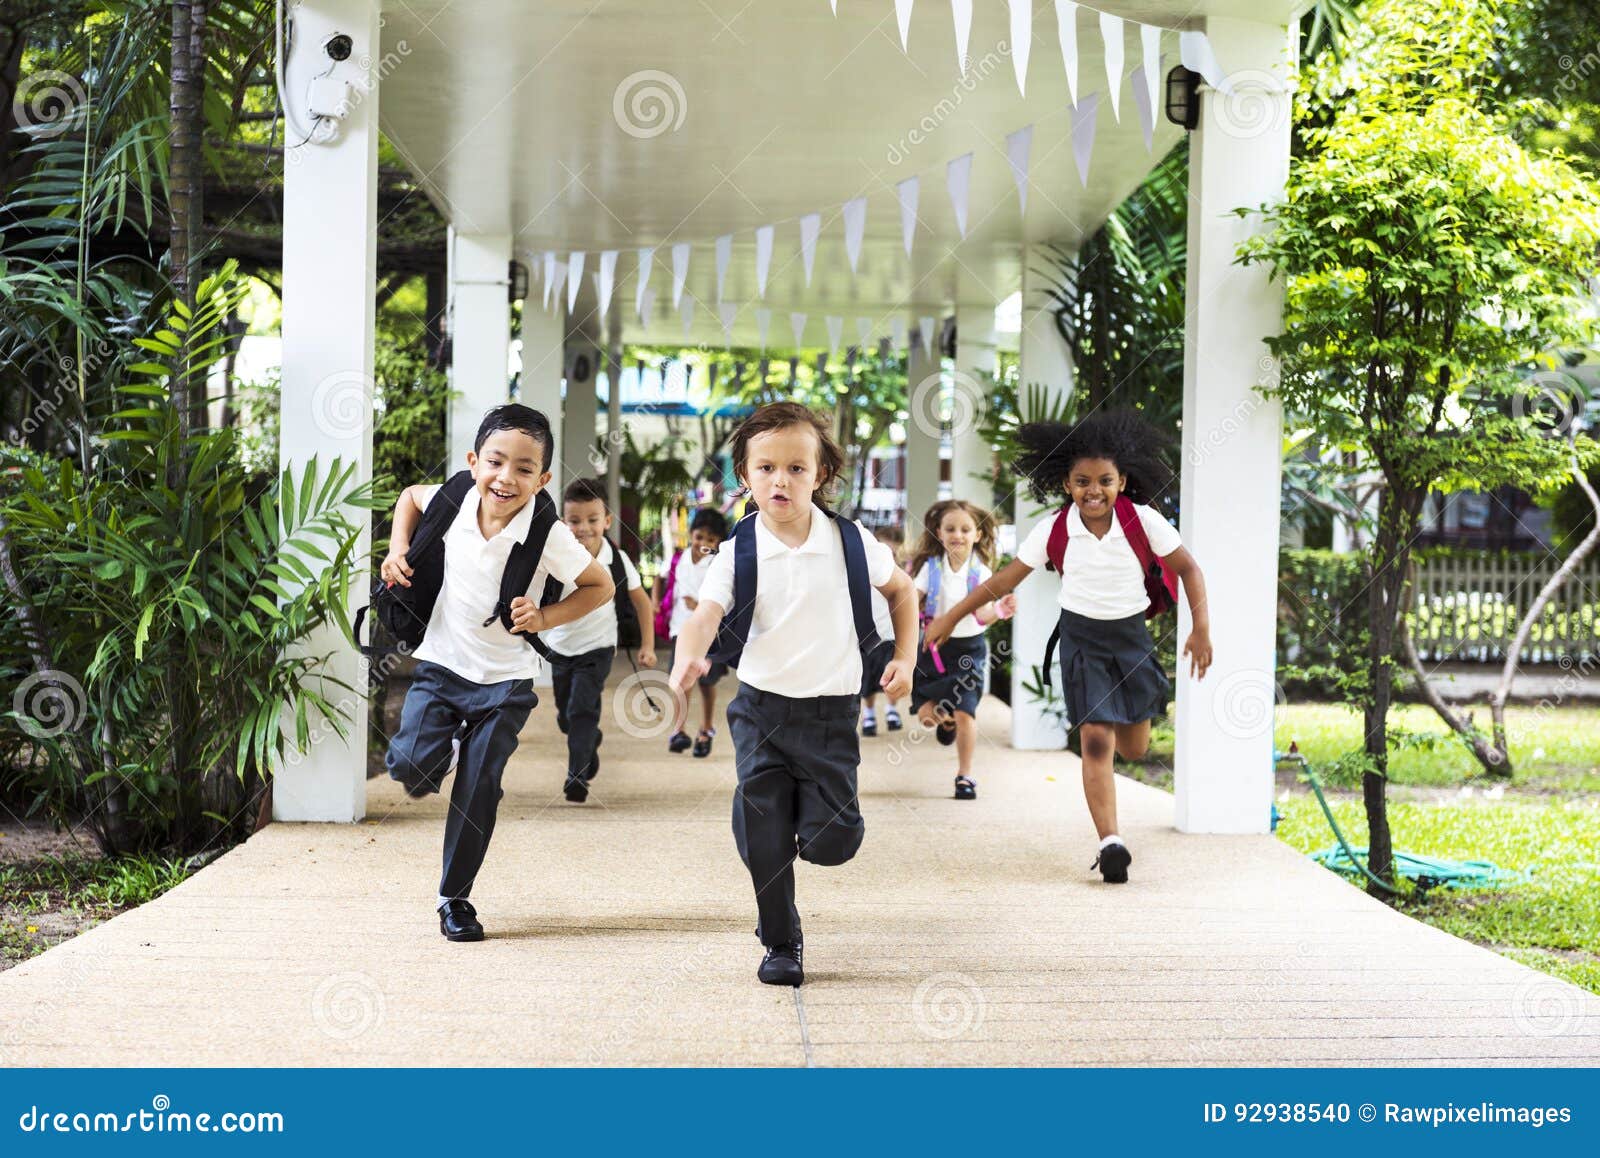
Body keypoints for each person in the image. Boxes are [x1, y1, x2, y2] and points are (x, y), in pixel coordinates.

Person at [669, 401, 917, 987]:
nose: (780, 480)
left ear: (821, 474)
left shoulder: (851, 541)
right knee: (768, 826)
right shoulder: (738, 549)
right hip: (760, 709)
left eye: (796, 468)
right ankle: (781, 940)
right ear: (746, 476)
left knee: (835, 842)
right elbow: (707, 613)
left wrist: (904, 657)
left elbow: (903, 594)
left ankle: (771, 828)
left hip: (831, 713)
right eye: (765, 468)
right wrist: (688, 653)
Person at [925, 410, 1212, 883]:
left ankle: (1121, 735)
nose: (1093, 490)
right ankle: (1110, 842)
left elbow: (1189, 569)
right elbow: (1003, 581)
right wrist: (952, 615)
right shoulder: (1054, 530)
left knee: (1136, 747)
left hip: (1131, 639)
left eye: (1104, 480)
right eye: (1082, 481)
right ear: (1065, 484)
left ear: (1122, 482)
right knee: (1096, 740)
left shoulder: (1144, 521)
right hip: (1081, 640)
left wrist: (1200, 629)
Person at [380, 405, 614, 942]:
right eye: (495, 462)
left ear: (543, 478)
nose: (506, 478)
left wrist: (546, 616)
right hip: (442, 664)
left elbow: (600, 586)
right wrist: (397, 550)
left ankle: (454, 898)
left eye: (525, 469)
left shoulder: (548, 534)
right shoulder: (455, 496)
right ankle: (442, 751)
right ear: (473, 461)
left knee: (480, 784)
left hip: (506, 680)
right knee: (411, 768)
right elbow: (410, 498)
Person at [537, 476, 656, 804]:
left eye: (592, 520)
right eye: (574, 521)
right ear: (563, 522)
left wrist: (647, 646)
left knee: (581, 710)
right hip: (559, 647)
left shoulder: (615, 560)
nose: (584, 528)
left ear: (606, 520)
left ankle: (576, 777)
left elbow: (642, 603)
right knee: (566, 716)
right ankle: (589, 742)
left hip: (599, 648)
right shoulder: (556, 557)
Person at [907, 500, 1015, 800]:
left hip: (969, 650)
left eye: (966, 529)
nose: (958, 534)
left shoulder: (980, 573)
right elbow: (911, 601)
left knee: (967, 711)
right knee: (927, 716)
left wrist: (1001, 610)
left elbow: (982, 615)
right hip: (934, 650)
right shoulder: (930, 569)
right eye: (951, 529)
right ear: (939, 533)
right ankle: (945, 718)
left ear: (977, 535)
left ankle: (965, 775)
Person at [656, 506, 729, 757]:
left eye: (710, 540)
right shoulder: (679, 558)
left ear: (718, 542)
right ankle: (679, 729)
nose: (703, 543)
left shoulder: (717, 563)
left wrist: (698, 606)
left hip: (710, 633)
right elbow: (660, 576)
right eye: (699, 537)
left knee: (707, 683)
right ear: (691, 534)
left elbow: (725, 598)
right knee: (680, 682)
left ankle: (706, 728)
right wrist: (656, 602)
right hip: (680, 629)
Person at [859, 525, 906, 737]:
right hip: (869, 635)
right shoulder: (864, 574)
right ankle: (868, 713)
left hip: (891, 635)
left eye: (894, 553)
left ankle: (891, 708)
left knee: (891, 676)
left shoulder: (902, 579)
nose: (889, 558)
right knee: (867, 680)